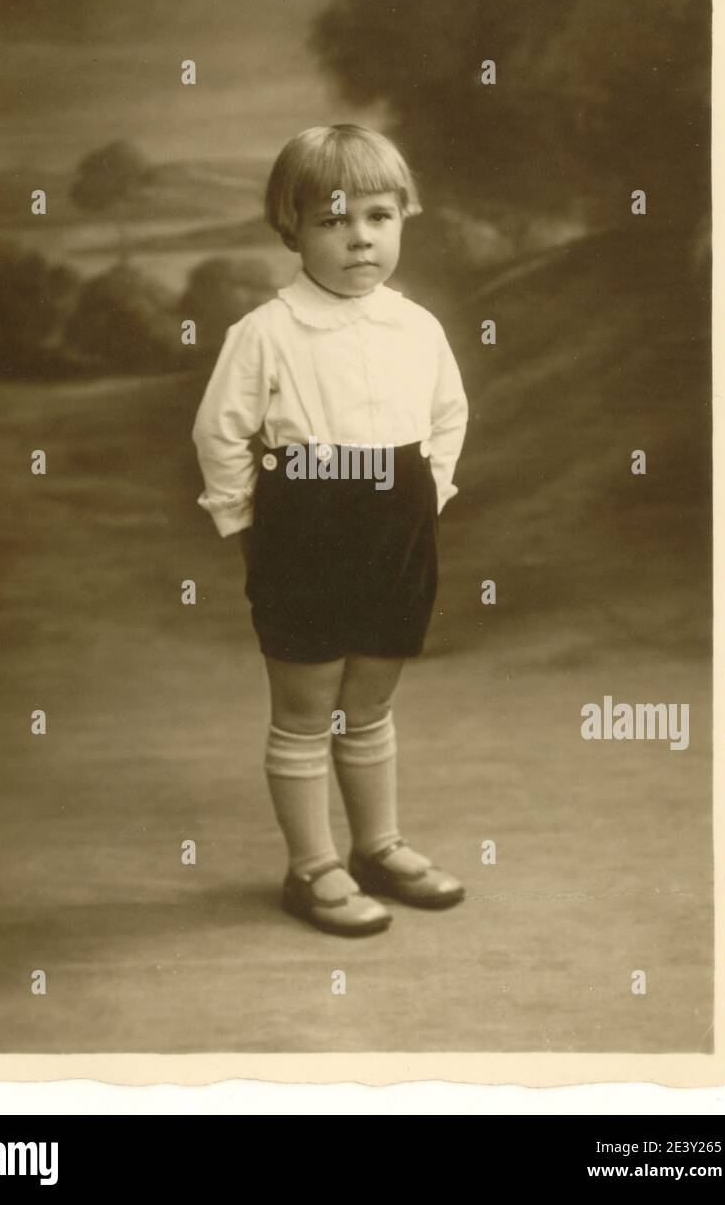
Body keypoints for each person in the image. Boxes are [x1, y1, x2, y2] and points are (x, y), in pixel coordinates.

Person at [192, 123, 469, 937]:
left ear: (401, 220)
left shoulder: (416, 326)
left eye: (378, 218)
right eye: (333, 220)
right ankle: (311, 866)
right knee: (308, 706)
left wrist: (424, 495)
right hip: (305, 524)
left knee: (370, 700)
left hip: (396, 526)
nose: (358, 239)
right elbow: (219, 434)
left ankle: (376, 845)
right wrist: (246, 521)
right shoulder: (267, 333)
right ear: (293, 228)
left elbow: (448, 416)